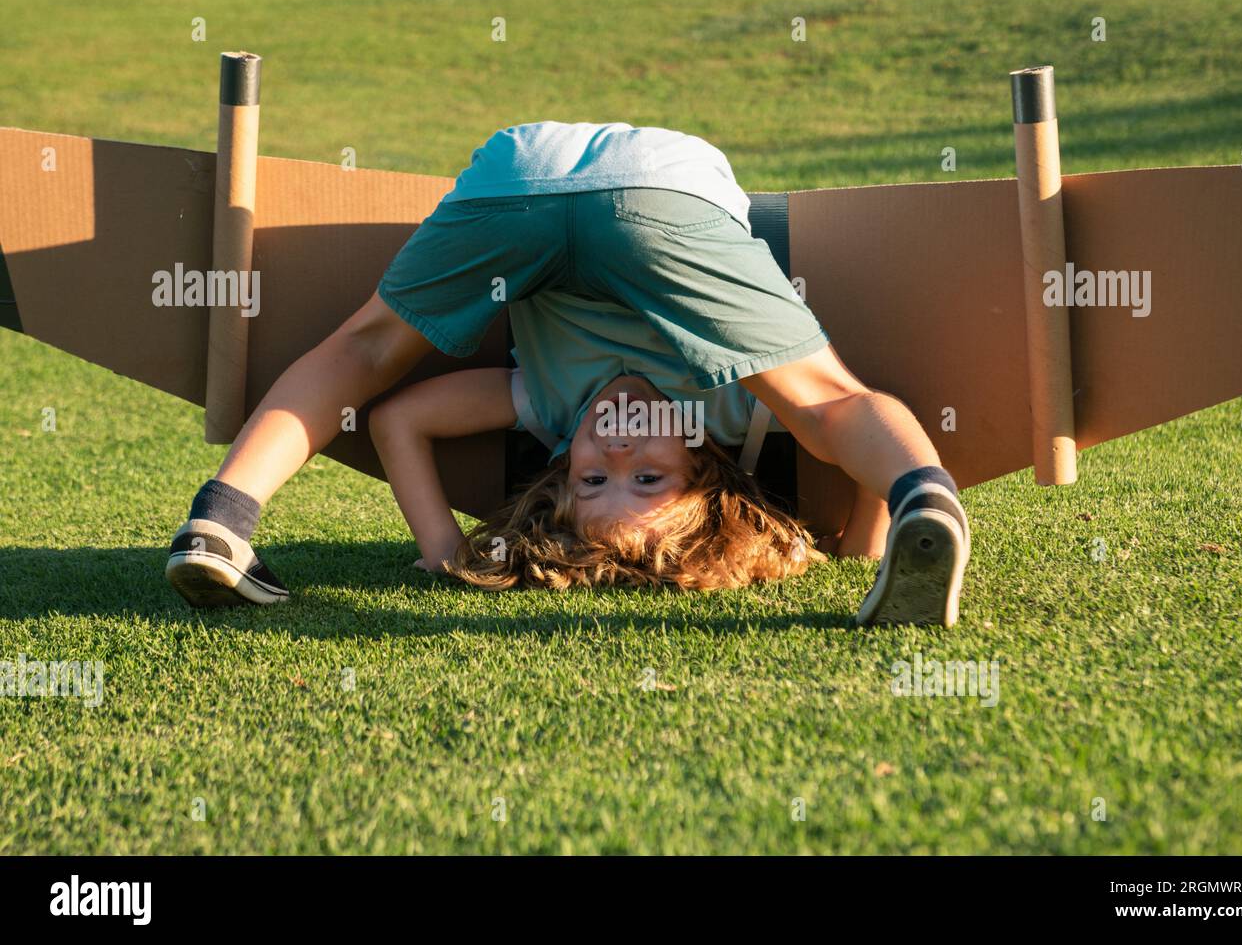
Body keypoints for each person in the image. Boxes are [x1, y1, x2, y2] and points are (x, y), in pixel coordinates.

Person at [166, 121, 969, 625]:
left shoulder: (547, 403)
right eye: (649, 480)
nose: (614, 456)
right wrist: (882, 537)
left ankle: (221, 521)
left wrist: (443, 548)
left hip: (519, 180)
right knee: (825, 402)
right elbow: (841, 412)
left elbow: (393, 415)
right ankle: (929, 501)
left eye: (590, 485)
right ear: (704, 466)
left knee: (365, 349)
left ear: (561, 474)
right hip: (666, 195)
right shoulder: (729, 410)